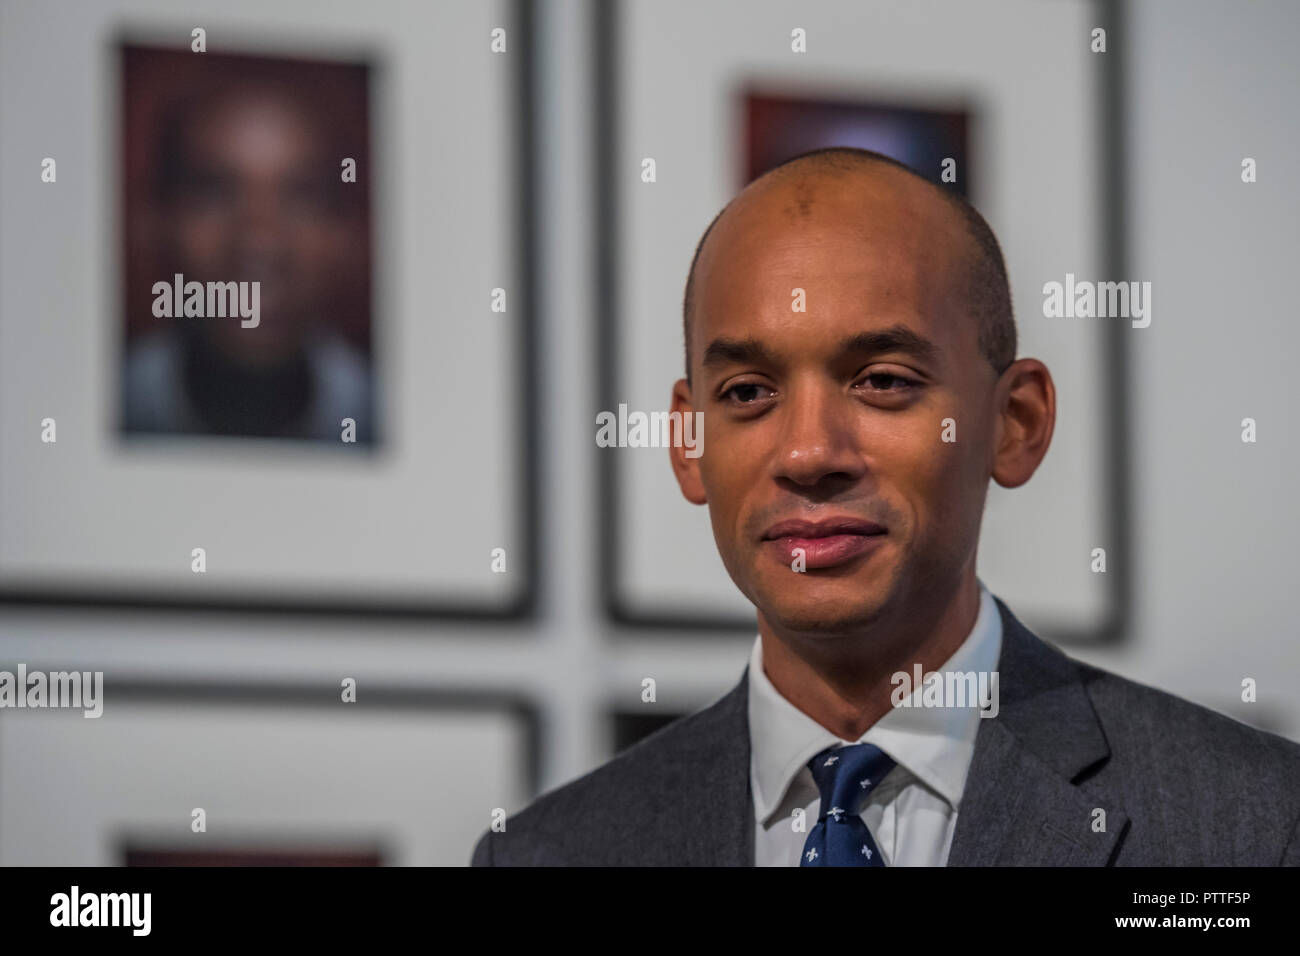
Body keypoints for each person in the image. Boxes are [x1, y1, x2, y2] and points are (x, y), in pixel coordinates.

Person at [472, 147, 1300, 866]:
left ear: (1016, 423)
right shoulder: (549, 853)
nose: (807, 453)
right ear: (688, 442)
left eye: (882, 382)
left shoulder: (1253, 830)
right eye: (749, 392)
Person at [122, 75, 374, 443]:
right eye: (213, 192)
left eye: (303, 197)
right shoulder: (99, 408)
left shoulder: (392, 418)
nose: (260, 242)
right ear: (152, 226)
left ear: (347, 237)